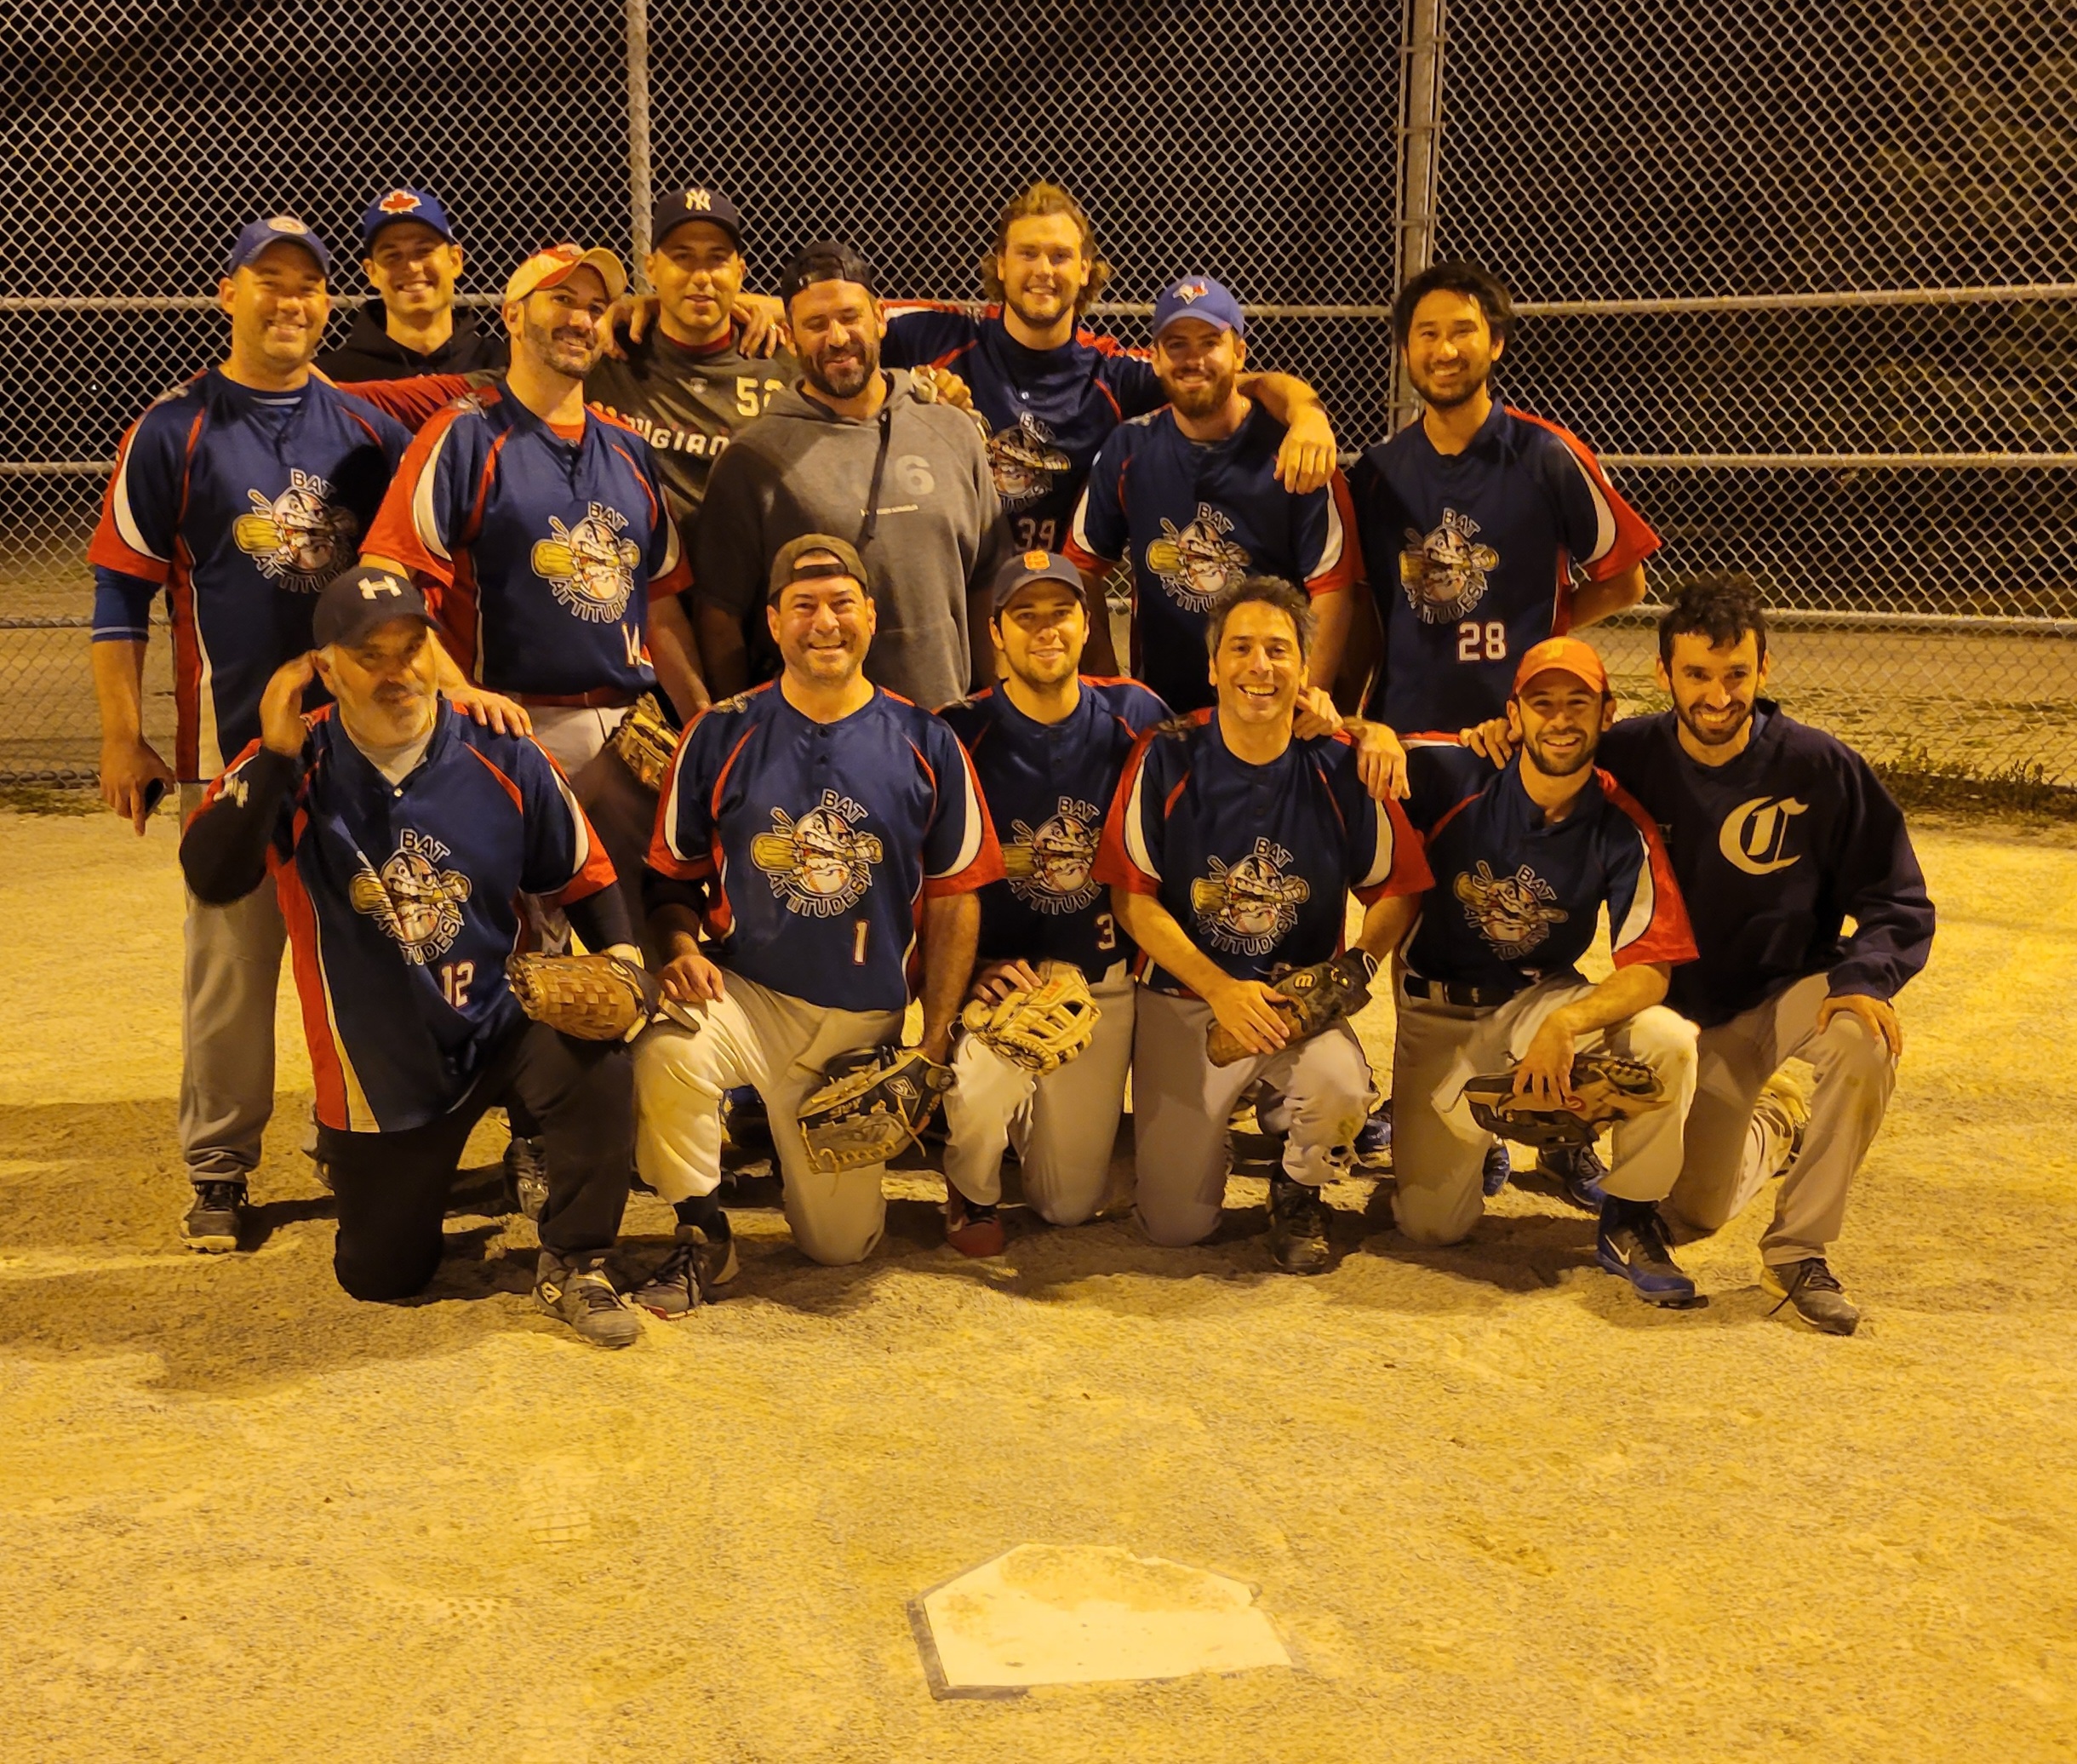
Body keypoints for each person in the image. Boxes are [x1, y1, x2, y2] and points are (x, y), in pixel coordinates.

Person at [176, 565, 642, 1346]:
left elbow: (579, 874)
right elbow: (213, 876)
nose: (398, 673)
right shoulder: (296, 763)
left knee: (598, 1057)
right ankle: (410, 1181)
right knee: (383, 1276)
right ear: (327, 671)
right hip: (379, 1070)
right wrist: (277, 756)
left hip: (500, 1022)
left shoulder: (502, 749)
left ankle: (577, 1259)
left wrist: (625, 958)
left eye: (411, 649)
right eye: (371, 656)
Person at [88, 214, 419, 1252]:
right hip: (229, 752)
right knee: (233, 969)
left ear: (329, 301)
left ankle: (356, 1137)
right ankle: (220, 1164)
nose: (290, 300)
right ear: (228, 293)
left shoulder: (365, 429)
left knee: (367, 950)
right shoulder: (175, 428)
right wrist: (121, 735)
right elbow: (119, 589)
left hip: (357, 750)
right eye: (267, 280)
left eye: (307, 284)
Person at [1349, 258, 1662, 1202]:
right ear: (1406, 352)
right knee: (1430, 912)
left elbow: (1624, 576)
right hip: (1419, 732)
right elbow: (1364, 608)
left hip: (1520, 737)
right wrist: (1363, 720)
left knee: (1535, 909)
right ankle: (1443, 1096)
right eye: (1426, 334)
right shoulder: (1378, 474)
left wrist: (1540, 661)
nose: (1444, 349)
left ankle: (1556, 1105)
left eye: (1462, 331)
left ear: (1494, 341)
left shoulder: (1545, 453)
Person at [630, 537, 1001, 1302]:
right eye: (803, 606)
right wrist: (678, 947)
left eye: (840, 604)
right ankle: (703, 1234)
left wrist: (933, 1043)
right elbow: (669, 878)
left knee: (839, 1250)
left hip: (861, 1024)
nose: (824, 622)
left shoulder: (927, 740)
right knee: (666, 1047)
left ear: (871, 615)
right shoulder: (720, 732)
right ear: (774, 623)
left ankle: (784, 1137)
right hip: (751, 999)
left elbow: (957, 896)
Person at [1591, 577, 1935, 1334]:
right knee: (1694, 1213)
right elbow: (1532, 780)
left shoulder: (1818, 765)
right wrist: (1493, 739)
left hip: (1789, 991)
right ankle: (1776, 1120)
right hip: (1689, 1016)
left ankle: (1798, 1249)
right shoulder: (1626, 757)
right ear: (1662, 673)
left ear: (1764, 668)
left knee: (1864, 1040)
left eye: (1736, 674)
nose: (1719, 696)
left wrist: (1866, 977)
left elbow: (1897, 896)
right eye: (1697, 674)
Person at [360, 243, 703, 935]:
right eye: (561, 300)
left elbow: (660, 601)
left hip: (627, 730)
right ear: (514, 316)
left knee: (648, 944)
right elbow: (387, 576)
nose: (580, 318)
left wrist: (701, 718)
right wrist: (457, 692)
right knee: (525, 959)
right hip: (512, 725)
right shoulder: (464, 435)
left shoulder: (627, 448)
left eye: (595, 307)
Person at [1097, 576, 1430, 1273]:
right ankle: (1215, 1125)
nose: (1260, 666)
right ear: (1213, 665)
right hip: (1187, 997)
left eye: (1279, 651)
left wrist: (1359, 963)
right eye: (1241, 648)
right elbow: (1133, 901)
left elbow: (1397, 888)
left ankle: (1299, 1185)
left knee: (1342, 1088)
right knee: (1175, 1227)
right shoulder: (1166, 753)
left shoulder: (1338, 763)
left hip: (1291, 1001)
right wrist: (1221, 989)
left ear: (1306, 671)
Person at [1393, 637, 1705, 1305]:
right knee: (1431, 1227)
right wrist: (1367, 734)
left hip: (1537, 999)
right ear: (1514, 715)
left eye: (1577, 703)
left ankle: (1631, 1214)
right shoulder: (1456, 773)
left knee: (1668, 1041)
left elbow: (1651, 967)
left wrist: (1566, 1023)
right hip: (1437, 1009)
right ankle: (1497, 1132)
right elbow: (1355, 748)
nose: (1560, 719)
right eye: (1543, 703)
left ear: (1607, 713)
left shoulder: (1620, 821)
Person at [880, 181, 1340, 553]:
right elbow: (849, 326)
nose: (1044, 270)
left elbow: (1242, 382)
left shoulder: (1112, 374)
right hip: (947, 573)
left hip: (1046, 594)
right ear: (1001, 265)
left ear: (1085, 270)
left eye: (1060, 256)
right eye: (1027, 253)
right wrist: (908, 386)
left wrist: (1308, 415)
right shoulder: (936, 335)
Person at [936, 550, 1171, 1253]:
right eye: (1025, 615)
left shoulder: (1136, 713)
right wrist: (961, 973)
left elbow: (1233, 749)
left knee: (1065, 1206)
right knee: (981, 1088)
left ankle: (1033, 1127)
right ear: (995, 633)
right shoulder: (956, 731)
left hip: (1098, 982)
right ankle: (973, 1187)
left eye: (1062, 612)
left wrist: (1343, 722)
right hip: (1000, 981)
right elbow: (923, 879)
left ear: (1087, 623)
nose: (1046, 629)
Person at [689, 241, 1011, 712]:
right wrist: (741, 725)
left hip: (946, 724)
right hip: (812, 733)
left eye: (850, 317)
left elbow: (987, 585)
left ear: (879, 318)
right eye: (816, 325)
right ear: (791, 337)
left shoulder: (952, 430)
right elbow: (720, 615)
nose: (838, 338)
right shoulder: (752, 459)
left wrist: (999, 709)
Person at [1066, 277, 1358, 713]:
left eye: (1210, 342)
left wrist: (1298, 705)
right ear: (1156, 359)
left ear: (1239, 353)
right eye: (1177, 345)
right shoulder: (1129, 449)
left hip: (1266, 707)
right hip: (1165, 710)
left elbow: (1334, 589)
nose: (1194, 359)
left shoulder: (1293, 451)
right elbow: (1082, 566)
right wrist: (1110, 686)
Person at [583, 185, 796, 527]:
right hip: (638, 553)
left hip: (748, 552)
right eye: (682, 257)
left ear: (740, 272)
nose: (701, 277)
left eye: (717, 259)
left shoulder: (778, 361)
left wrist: (778, 309)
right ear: (651, 269)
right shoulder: (610, 352)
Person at [315, 186, 509, 381]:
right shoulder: (331, 378)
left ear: (455, 261)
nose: (412, 267)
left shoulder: (508, 365)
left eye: (424, 251)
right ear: (372, 272)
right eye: (393, 256)